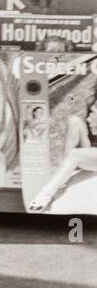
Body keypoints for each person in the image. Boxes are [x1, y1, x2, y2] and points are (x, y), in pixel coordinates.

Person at [27, 85, 97, 213]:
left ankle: (45, 195)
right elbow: (90, 127)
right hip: (92, 151)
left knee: (76, 155)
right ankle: (64, 175)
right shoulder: (91, 100)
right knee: (74, 121)